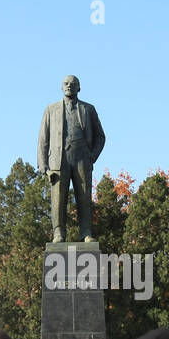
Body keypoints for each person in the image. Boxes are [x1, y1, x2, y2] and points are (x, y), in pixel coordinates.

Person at [37, 74, 106, 243]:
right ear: (62, 87)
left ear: (79, 88)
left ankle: (86, 232)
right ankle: (58, 232)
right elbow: (43, 140)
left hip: (82, 159)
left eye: (73, 84)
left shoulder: (88, 109)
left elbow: (100, 137)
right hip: (58, 162)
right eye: (66, 83)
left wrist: (91, 156)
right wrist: (44, 167)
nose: (69, 86)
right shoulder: (51, 109)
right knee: (58, 199)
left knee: (84, 197)